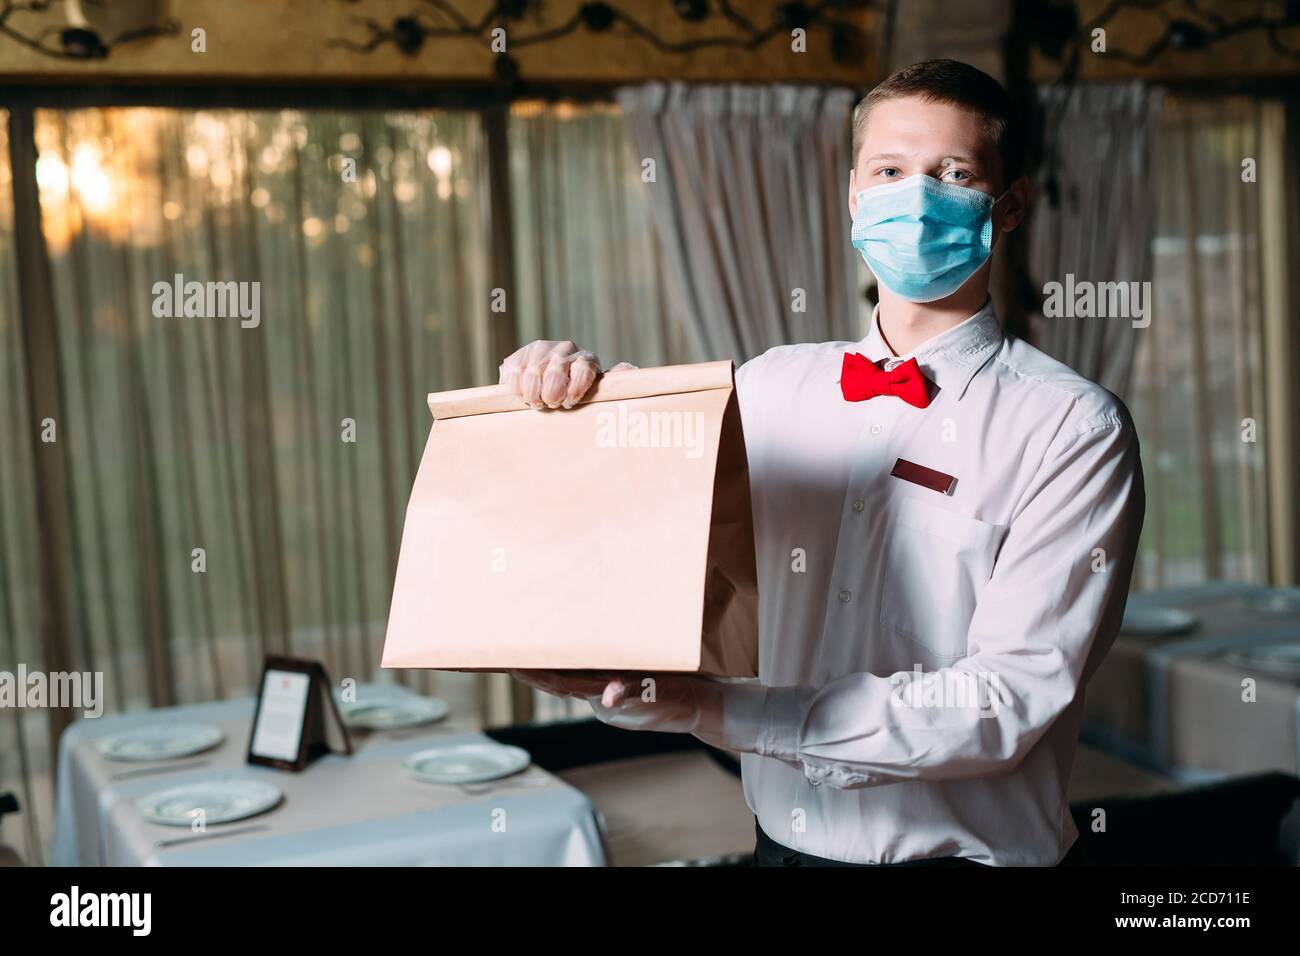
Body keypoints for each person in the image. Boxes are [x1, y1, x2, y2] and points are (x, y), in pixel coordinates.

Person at [500, 59, 1145, 867]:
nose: (917, 196)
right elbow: (651, 516)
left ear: (1007, 203)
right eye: (890, 170)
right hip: (775, 848)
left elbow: (1003, 704)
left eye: (954, 173)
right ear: (853, 197)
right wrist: (563, 395)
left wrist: (719, 714)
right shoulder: (769, 386)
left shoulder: (1074, 427)